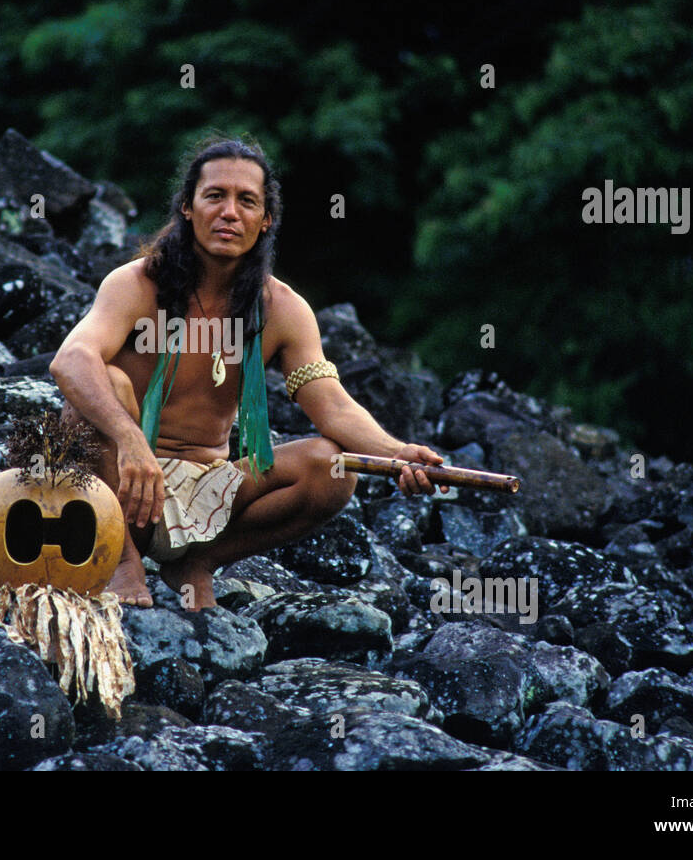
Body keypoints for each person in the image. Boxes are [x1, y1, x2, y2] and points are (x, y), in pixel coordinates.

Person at [49, 136, 446, 611]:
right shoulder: (136, 284)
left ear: (265, 221)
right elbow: (70, 359)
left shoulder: (282, 309)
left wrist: (399, 453)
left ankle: (197, 562)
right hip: (123, 486)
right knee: (104, 383)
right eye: (214, 196)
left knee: (333, 466)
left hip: (210, 494)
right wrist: (131, 441)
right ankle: (119, 559)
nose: (230, 212)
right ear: (188, 208)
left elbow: (332, 404)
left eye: (247, 201)